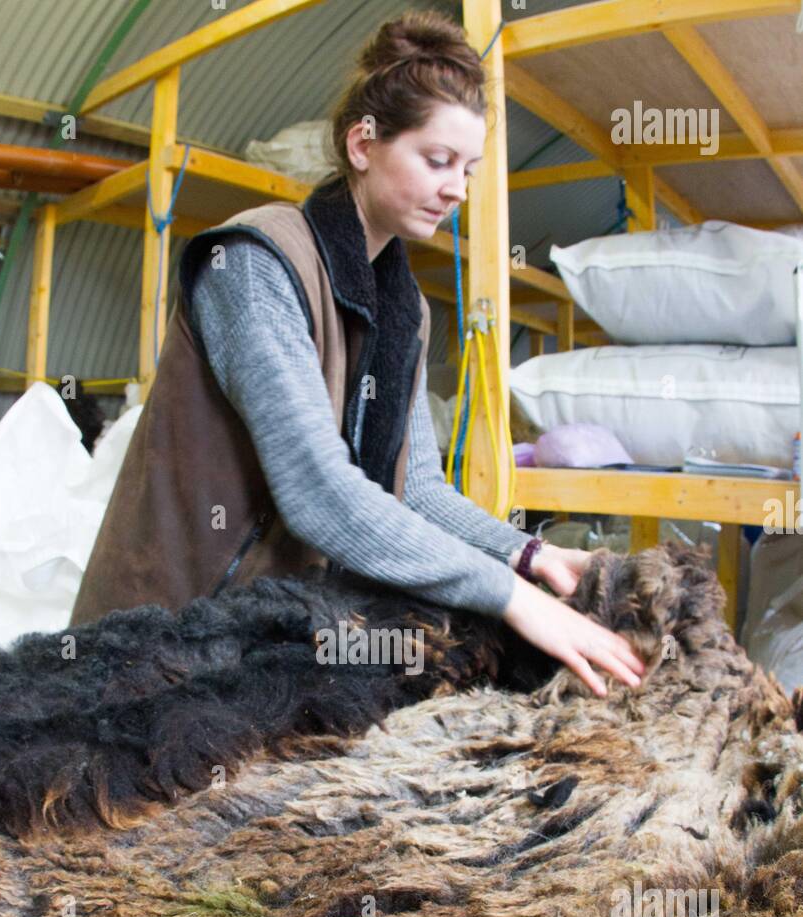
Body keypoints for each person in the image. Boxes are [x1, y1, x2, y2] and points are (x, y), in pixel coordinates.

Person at [70, 9, 644, 699]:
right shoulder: (253, 262)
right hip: (160, 637)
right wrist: (513, 598)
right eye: (437, 160)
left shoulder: (405, 308)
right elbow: (318, 488)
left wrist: (530, 555)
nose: (458, 188)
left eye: (469, 168)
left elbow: (421, 491)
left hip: (264, 639)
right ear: (363, 143)